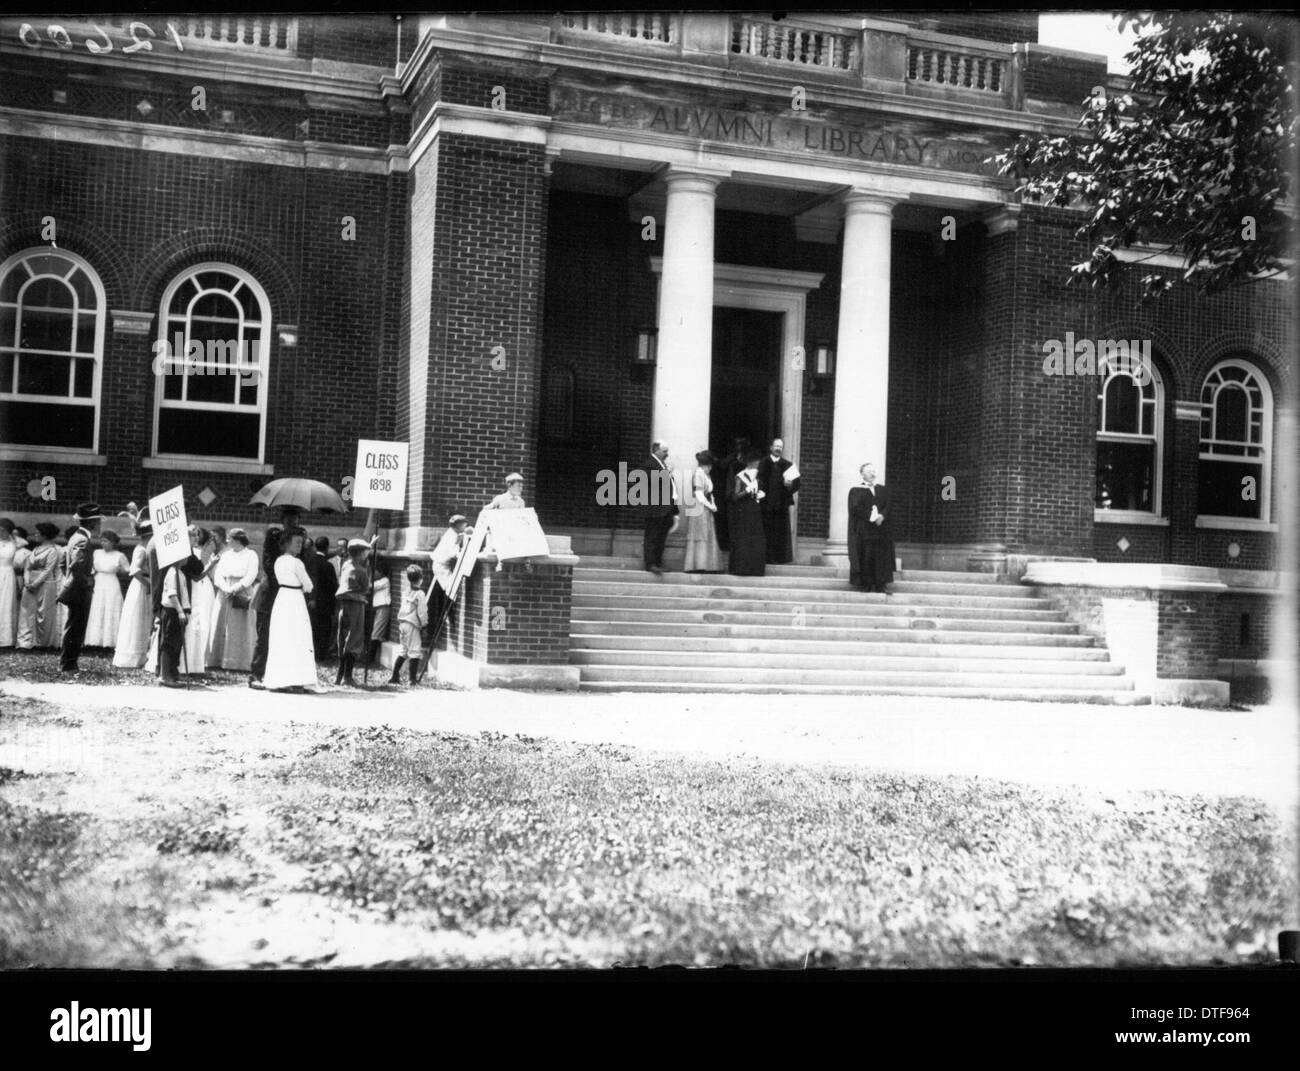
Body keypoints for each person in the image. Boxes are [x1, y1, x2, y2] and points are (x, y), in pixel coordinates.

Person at [263, 527, 318, 692]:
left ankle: (282, 679)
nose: (300, 546)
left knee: (283, 638)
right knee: (298, 637)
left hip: (282, 599)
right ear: (287, 543)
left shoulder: (278, 561)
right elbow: (308, 586)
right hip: (295, 600)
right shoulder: (297, 562)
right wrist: (304, 586)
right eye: (297, 542)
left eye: (301, 543)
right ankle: (297, 678)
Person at [57, 504, 101, 673]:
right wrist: (86, 581)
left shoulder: (75, 537)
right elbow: (75, 564)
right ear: (93, 522)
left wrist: (69, 579)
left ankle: (69, 662)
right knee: (76, 626)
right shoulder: (82, 540)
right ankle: (68, 664)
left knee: (74, 625)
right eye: (97, 522)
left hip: (75, 588)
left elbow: (64, 563)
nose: (99, 525)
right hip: (79, 591)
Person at [209, 528, 259, 671]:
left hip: (242, 591)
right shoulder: (225, 555)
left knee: (239, 627)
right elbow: (218, 574)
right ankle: (217, 660)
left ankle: (239, 662)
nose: (227, 541)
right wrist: (225, 588)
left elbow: (251, 575)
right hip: (224, 592)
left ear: (237, 540)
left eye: (230, 539)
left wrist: (235, 588)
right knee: (221, 623)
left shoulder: (251, 555)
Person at [157, 536, 203, 688]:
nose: (187, 559)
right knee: (169, 643)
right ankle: (165, 675)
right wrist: (180, 611)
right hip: (172, 611)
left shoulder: (180, 572)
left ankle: (172, 673)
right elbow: (172, 594)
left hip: (178, 611)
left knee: (176, 643)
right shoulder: (172, 573)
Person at [113, 519, 155, 668]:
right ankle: (133, 657)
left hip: (145, 585)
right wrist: (148, 584)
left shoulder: (147, 548)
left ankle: (143, 655)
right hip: (141, 586)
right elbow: (135, 570)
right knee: (138, 618)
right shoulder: (141, 549)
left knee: (145, 618)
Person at [848, 462, 895, 594]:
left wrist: (882, 516)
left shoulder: (882, 489)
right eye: (869, 472)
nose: (872, 474)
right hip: (866, 531)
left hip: (881, 530)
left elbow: (888, 505)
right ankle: (867, 584)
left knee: (881, 558)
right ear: (862, 474)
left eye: (874, 471)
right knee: (867, 556)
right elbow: (856, 508)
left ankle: (881, 584)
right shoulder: (856, 490)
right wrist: (872, 517)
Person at [334, 538, 372, 687]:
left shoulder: (346, 565)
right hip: (356, 605)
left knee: (343, 639)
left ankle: (340, 675)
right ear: (361, 553)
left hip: (344, 605)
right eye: (365, 551)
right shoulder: (360, 571)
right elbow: (365, 587)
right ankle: (347, 677)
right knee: (354, 639)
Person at [18, 522, 62, 650]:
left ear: (45, 535)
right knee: (26, 611)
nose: (36, 535)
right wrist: (27, 582)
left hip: (45, 584)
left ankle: (42, 643)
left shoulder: (53, 551)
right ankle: (25, 642)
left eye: (38, 533)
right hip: (30, 584)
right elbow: (27, 567)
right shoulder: (35, 550)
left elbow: (48, 570)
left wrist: (35, 583)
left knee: (43, 613)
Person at [429, 514, 470, 649]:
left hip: (442, 565)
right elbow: (453, 553)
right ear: (458, 525)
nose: (464, 526)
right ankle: (448, 613)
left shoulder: (453, 533)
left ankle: (448, 612)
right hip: (441, 566)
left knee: (451, 588)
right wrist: (462, 553)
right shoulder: (452, 536)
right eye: (463, 524)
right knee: (451, 588)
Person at [756, 438, 800, 564]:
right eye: (776, 446)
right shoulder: (763, 463)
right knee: (766, 530)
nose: (778, 449)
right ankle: (764, 557)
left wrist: (789, 485)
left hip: (781, 505)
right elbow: (757, 481)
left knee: (779, 532)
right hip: (766, 504)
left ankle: (778, 558)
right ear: (771, 447)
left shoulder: (787, 465)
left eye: (780, 447)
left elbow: (796, 484)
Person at [248, 526, 282, 689]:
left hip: (274, 600)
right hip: (267, 601)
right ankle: (256, 674)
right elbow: (272, 573)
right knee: (263, 638)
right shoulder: (271, 558)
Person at [84, 530, 129, 648]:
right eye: (102, 541)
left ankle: (111, 641)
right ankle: (94, 641)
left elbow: (127, 570)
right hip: (98, 583)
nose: (103, 543)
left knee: (110, 608)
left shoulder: (120, 555)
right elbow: (90, 567)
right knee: (97, 608)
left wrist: (120, 569)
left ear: (113, 543)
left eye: (106, 541)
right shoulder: (96, 553)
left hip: (111, 583)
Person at [639, 441, 678, 574]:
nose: (667, 454)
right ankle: (650, 563)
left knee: (660, 537)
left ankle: (657, 562)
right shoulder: (649, 464)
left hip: (665, 508)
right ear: (656, 450)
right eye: (664, 451)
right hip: (655, 508)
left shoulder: (661, 465)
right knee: (652, 536)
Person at [728, 451, 767, 577]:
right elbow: (735, 496)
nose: (758, 465)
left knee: (755, 540)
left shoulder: (758, 478)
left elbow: (758, 492)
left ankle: (754, 568)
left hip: (755, 512)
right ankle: (742, 568)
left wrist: (759, 494)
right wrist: (747, 490)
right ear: (751, 463)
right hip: (743, 512)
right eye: (757, 463)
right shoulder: (740, 476)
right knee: (744, 540)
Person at [389, 564, 428, 686]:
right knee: (415, 651)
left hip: (402, 624)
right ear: (420, 578)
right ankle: (412, 680)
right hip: (412, 625)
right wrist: (425, 625)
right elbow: (422, 612)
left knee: (404, 650)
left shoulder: (406, 591)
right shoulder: (420, 594)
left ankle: (395, 675)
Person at [183, 527, 214, 677]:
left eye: (197, 535)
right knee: (190, 626)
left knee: (198, 627)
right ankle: (184, 665)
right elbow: (197, 576)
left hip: (197, 591)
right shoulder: (186, 553)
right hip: (190, 591)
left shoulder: (193, 552)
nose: (196, 538)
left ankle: (194, 664)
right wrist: (211, 565)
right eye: (193, 535)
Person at [683, 450, 722, 573]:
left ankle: (706, 564)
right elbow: (699, 494)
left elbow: (709, 494)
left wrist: (713, 503)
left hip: (705, 508)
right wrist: (710, 506)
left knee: (706, 534)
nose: (710, 468)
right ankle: (697, 564)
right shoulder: (699, 474)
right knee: (700, 535)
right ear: (705, 464)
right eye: (709, 465)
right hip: (698, 508)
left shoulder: (706, 475)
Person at [713, 437, 749, 553]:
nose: (739, 447)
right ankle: (727, 545)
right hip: (729, 493)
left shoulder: (747, 460)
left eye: (741, 445)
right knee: (728, 520)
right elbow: (722, 466)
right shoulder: (731, 458)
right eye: (737, 445)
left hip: (743, 493)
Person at [313, 535, 338, 659]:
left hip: (311, 601)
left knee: (313, 628)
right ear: (327, 548)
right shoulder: (328, 566)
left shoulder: (310, 562)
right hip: (325, 603)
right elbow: (334, 586)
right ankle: (321, 654)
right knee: (324, 629)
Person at [0, 519, 19, 647]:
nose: (0, 533)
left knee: (6, 603)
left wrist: (14, 536)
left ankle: (5, 639)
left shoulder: (15, 544)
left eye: (3, 531)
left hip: (7, 574)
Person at [369, 566, 391, 666]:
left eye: (376, 571)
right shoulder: (380, 581)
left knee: (376, 633)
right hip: (379, 608)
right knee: (377, 632)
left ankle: (370, 658)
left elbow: (370, 586)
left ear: (381, 571)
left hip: (383, 607)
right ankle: (372, 657)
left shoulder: (385, 580)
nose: (374, 574)